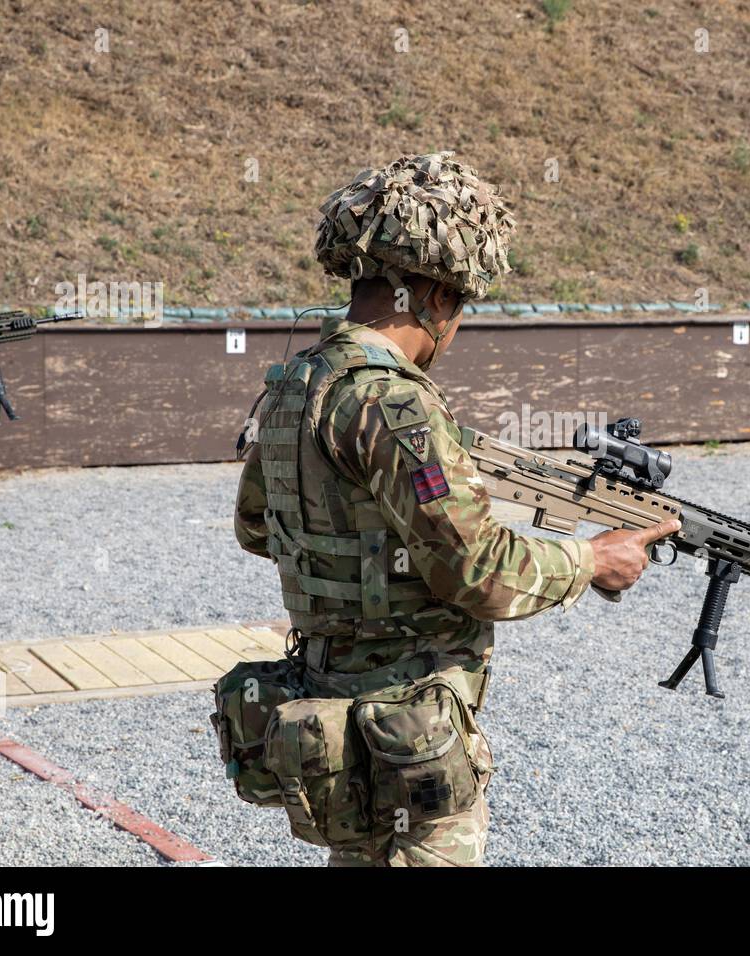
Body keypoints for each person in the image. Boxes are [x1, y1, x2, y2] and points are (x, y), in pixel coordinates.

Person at [233, 152, 677, 866]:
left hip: (334, 727)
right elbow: (480, 571)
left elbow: (258, 527)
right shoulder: (395, 402)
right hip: (406, 733)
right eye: (462, 305)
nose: (458, 325)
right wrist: (594, 557)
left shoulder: (292, 386)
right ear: (434, 298)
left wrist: (369, 549)